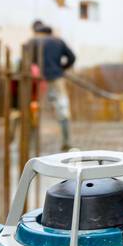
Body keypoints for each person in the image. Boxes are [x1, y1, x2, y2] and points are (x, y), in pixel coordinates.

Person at [25, 20, 76, 150]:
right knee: (62, 110)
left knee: (33, 109)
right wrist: (61, 68)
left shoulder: (32, 41)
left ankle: (31, 142)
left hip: (37, 80)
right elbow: (72, 57)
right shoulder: (58, 41)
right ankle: (66, 141)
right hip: (56, 79)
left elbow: (26, 61)